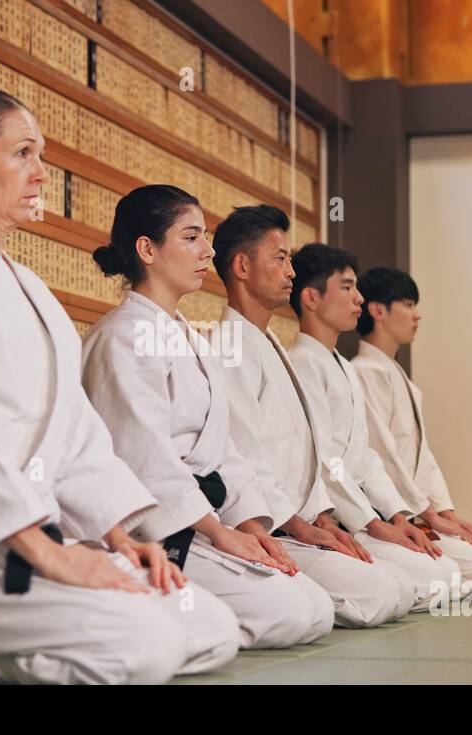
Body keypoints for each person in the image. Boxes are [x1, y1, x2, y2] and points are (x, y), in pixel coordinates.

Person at [0, 91, 240, 684]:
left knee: (211, 626)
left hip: (28, 538)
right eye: (24, 153)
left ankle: (6, 657)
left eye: (42, 155)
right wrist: (51, 555)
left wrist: (116, 537)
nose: (40, 173)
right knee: (150, 643)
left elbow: (75, 432)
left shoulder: (28, 287)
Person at [81, 185, 335, 648]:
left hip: (207, 518)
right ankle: (155, 621)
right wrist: (217, 531)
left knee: (317, 608)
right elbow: (144, 458)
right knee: (295, 614)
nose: (209, 251)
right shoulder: (123, 336)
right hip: (162, 530)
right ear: (147, 249)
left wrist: (252, 528)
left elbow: (226, 452)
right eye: (192, 237)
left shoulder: (192, 339)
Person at [208, 205, 415, 626]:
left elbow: (305, 454)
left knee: (397, 587)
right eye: (280, 258)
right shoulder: (231, 347)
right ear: (242, 266)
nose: (290, 270)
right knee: (378, 593)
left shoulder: (270, 345)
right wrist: (301, 527)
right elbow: (245, 457)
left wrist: (324, 517)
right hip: (269, 525)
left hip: (301, 521)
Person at [286, 244, 469, 607]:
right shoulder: (302, 362)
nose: (359, 299)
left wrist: (398, 517)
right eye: (347, 287)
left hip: (361, 513)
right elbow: (325, 460)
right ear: (310, 297)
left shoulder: (344, 366)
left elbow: (366, 457)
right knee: (422, 581)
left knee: (443, 573)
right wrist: (371, 521)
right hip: (334, 516)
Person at [352, 266, 472, 587]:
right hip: (395, 514)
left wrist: (446, 512)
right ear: (377, 310)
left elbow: (423, 458)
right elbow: (383, 456)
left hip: (418, 511)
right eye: (408, 304)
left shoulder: (398, 378)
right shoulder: (364, 372)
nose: (417, 316)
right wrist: (427, 515)